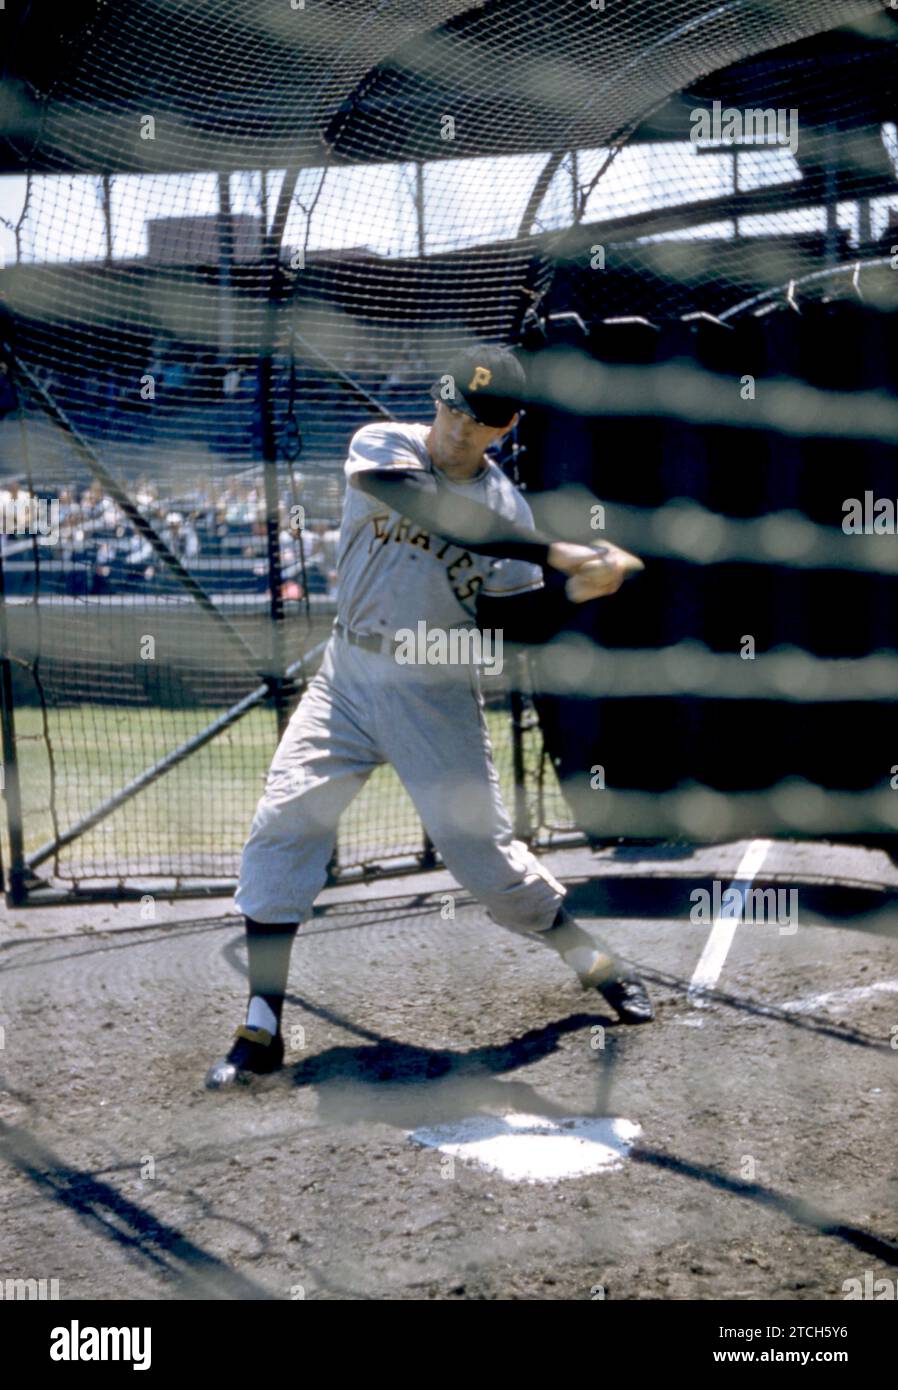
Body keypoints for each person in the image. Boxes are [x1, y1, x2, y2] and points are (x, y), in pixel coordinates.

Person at [205, 345, 653, 1089]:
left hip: (433, 689)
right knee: (285, 822)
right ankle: (261, 1026)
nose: (455, 428)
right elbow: (446, 517)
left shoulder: (508, 505)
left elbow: (510, 626)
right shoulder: (383, 446)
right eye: (449, 407)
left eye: (477, 421)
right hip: (347, 672)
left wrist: (576, 595)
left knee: (486, 865)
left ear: (504, 429)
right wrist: (566, 552)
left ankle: (594, 962)